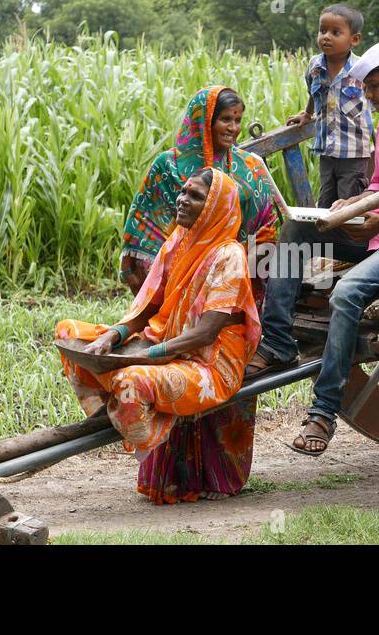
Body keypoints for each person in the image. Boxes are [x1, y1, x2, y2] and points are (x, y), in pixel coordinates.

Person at [246, 38, 379, 456]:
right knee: (296, 230)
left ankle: (323, 413)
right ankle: (276, 341)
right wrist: (354, 205)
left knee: (346, 293)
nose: (367, 95)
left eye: (373, 86)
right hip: (376, 230)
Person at [56, 168, 262, 504]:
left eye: (195, 196)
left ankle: (150, 422)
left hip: (209, 363)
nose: (182, 200)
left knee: (129, 383)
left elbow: (206, 331)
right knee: (67, 332)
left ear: (214, 207)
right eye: (183, 192)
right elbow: (148, 304)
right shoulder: (177, 242)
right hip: (162, 345)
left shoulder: (229, 255)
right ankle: (119, 413)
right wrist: (115, 336)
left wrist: (149, 357)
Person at [120, 86, 278, 296]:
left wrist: (232, 263)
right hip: (177, 268)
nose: (233, 128)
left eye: (237, 120)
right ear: (204, 122)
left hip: (233, 268)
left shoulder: (248, 165)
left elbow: (265, 227)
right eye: (225, 119)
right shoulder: (169, 165)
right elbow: (146, 225)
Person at [286, 4, 374, 209]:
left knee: (350, 203)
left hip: (354, 152)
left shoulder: (362, 69)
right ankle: (328, 241)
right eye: (322, 30)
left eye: (335, 32)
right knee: (326, 201)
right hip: (326, 150)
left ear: (354, 39)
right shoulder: (315, 66)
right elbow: (312, 92)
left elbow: (376, 98)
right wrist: (307, 114)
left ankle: (351, 241)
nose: (326, 36)